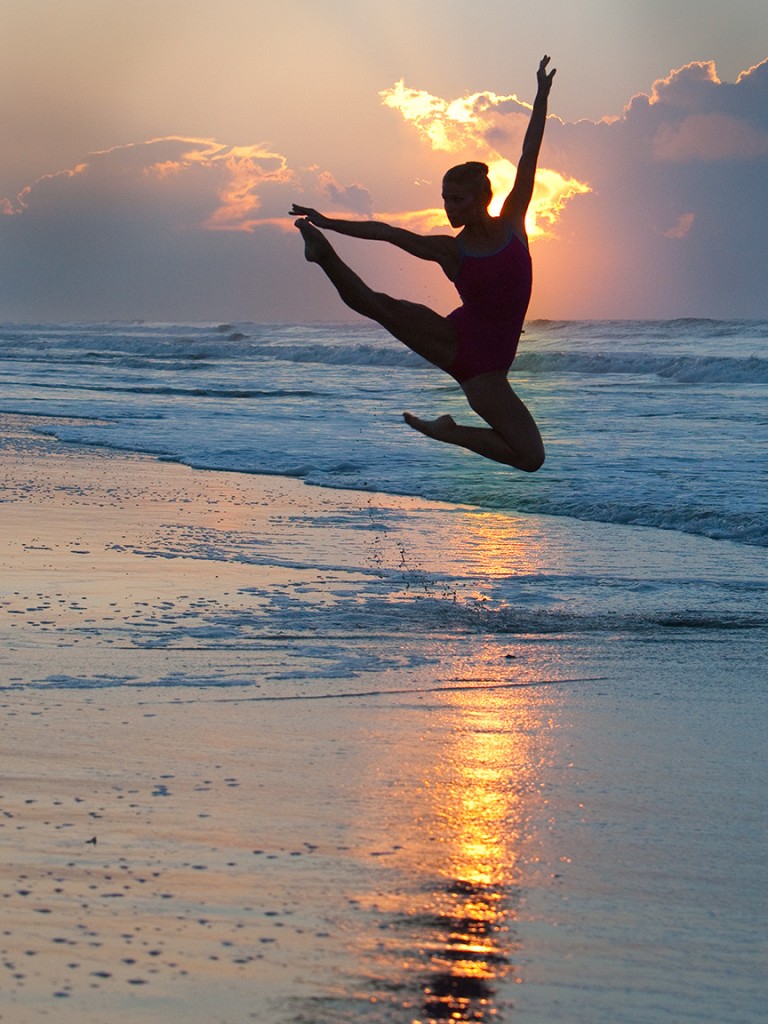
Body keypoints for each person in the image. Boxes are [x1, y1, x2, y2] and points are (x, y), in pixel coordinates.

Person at [290, 55, 556, 473]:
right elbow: (390, 233)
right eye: (444, 198)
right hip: (458, 343)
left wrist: (541, 96)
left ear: (483, 198)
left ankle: (450, 431)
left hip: (493, 371)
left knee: (531, 457)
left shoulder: (515, 224)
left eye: (457, 199)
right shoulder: (452, 251)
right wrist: (329, 223)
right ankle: (322, 253)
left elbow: (529, 154)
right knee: (379, 306)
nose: (448, 207)